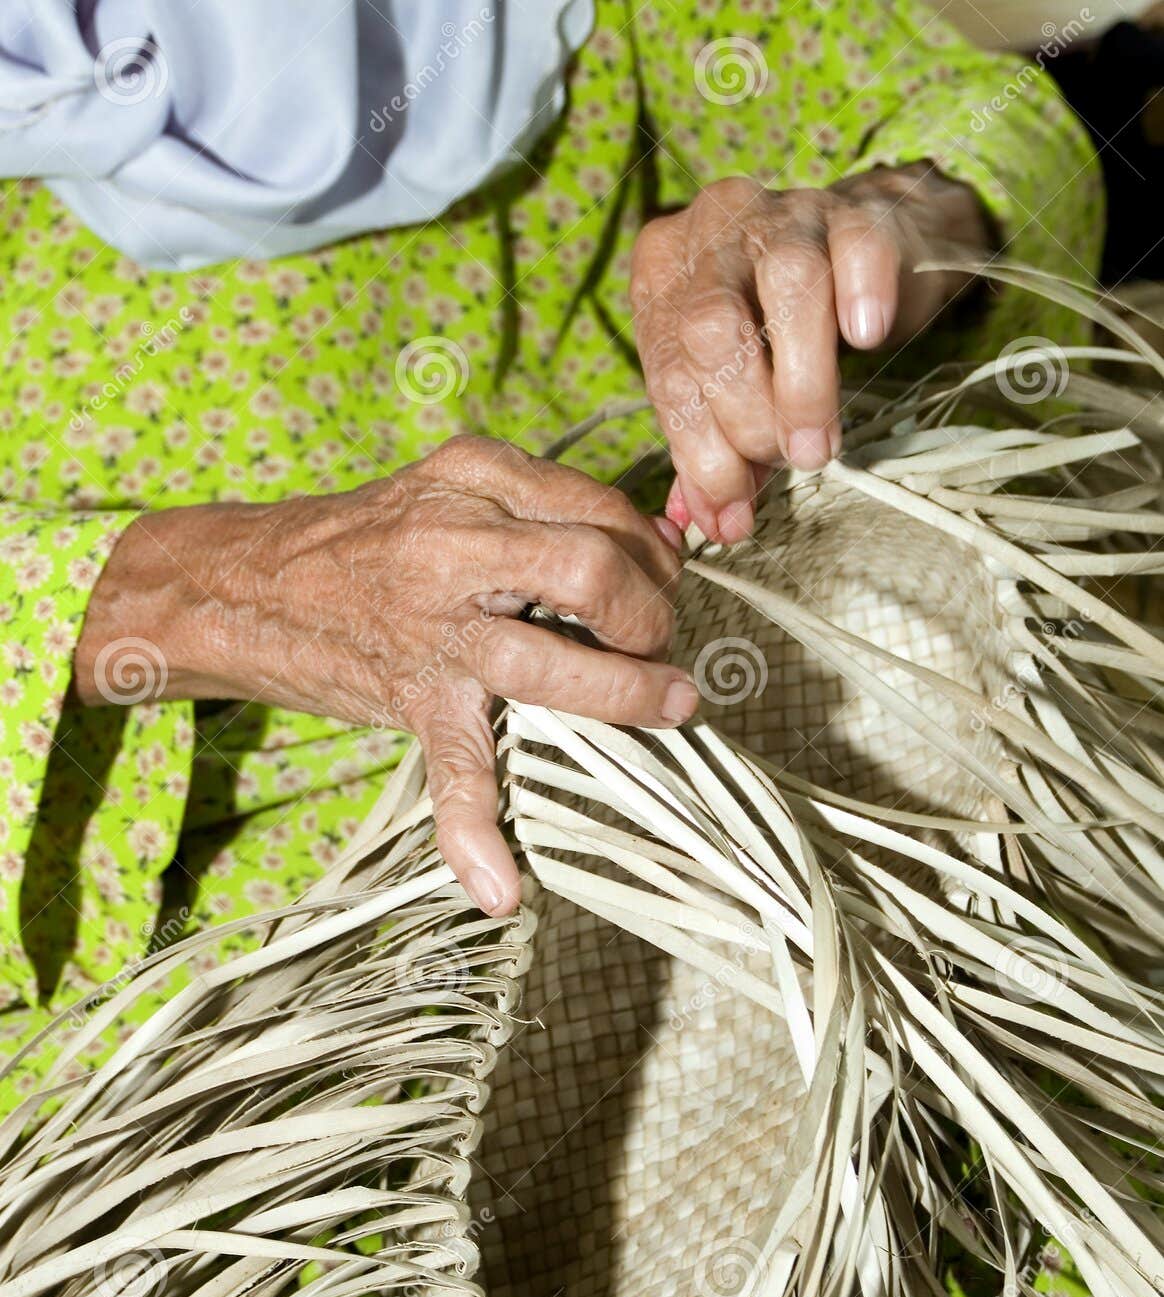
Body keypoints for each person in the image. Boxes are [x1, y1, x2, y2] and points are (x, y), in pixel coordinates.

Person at [0, 0, 1099, 1068]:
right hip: (149, 1010)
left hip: (694, 860)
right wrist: (193, 596)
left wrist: (894, 216)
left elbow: (976, 114)